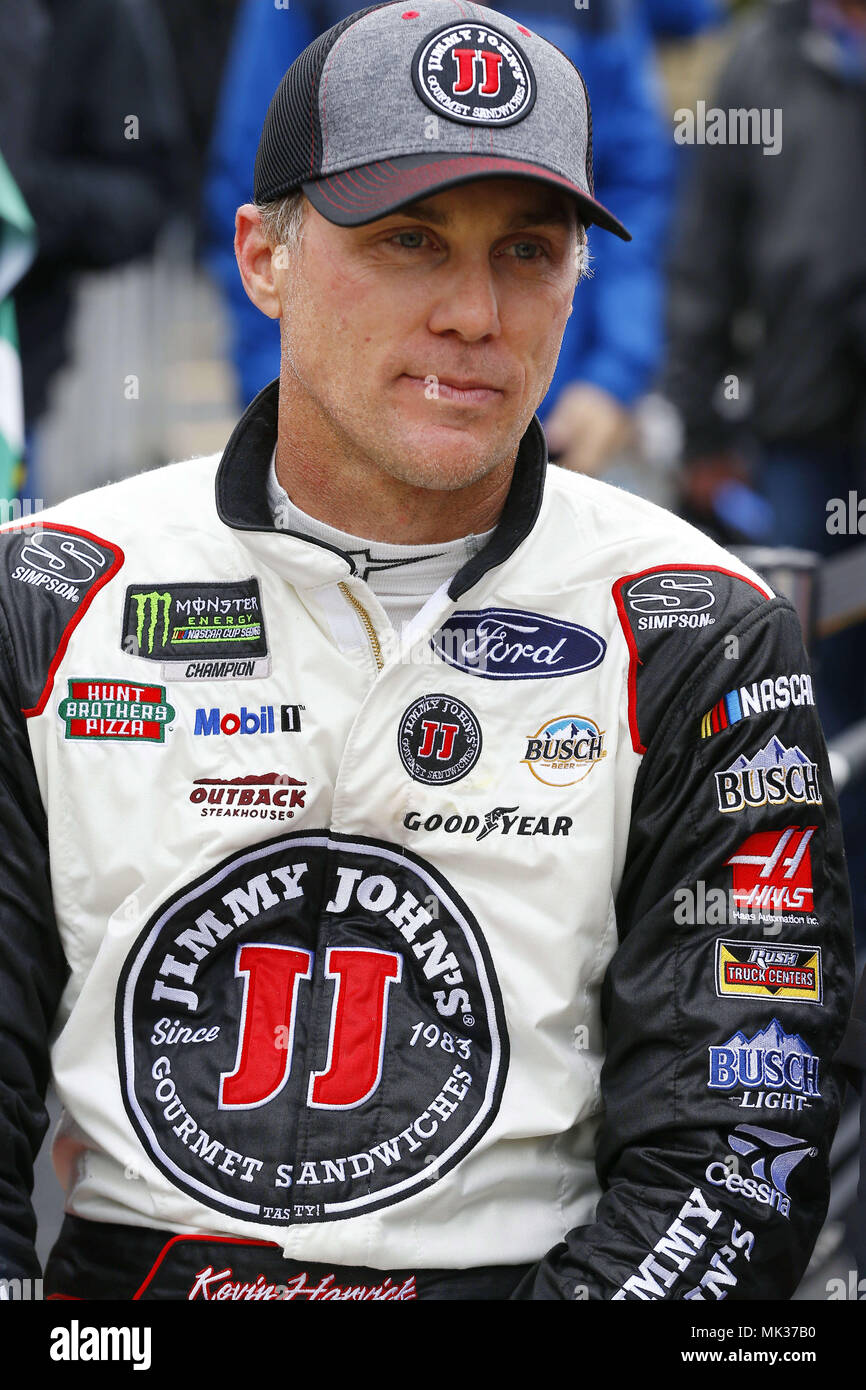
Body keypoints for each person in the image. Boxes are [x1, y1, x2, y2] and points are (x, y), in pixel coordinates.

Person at [0, 0, 854, 1302]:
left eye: (528, 249)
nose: (473, 311)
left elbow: (741, 1124)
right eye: (407, 240)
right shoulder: (59, 590)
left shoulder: (693, 623)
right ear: (262, 255)